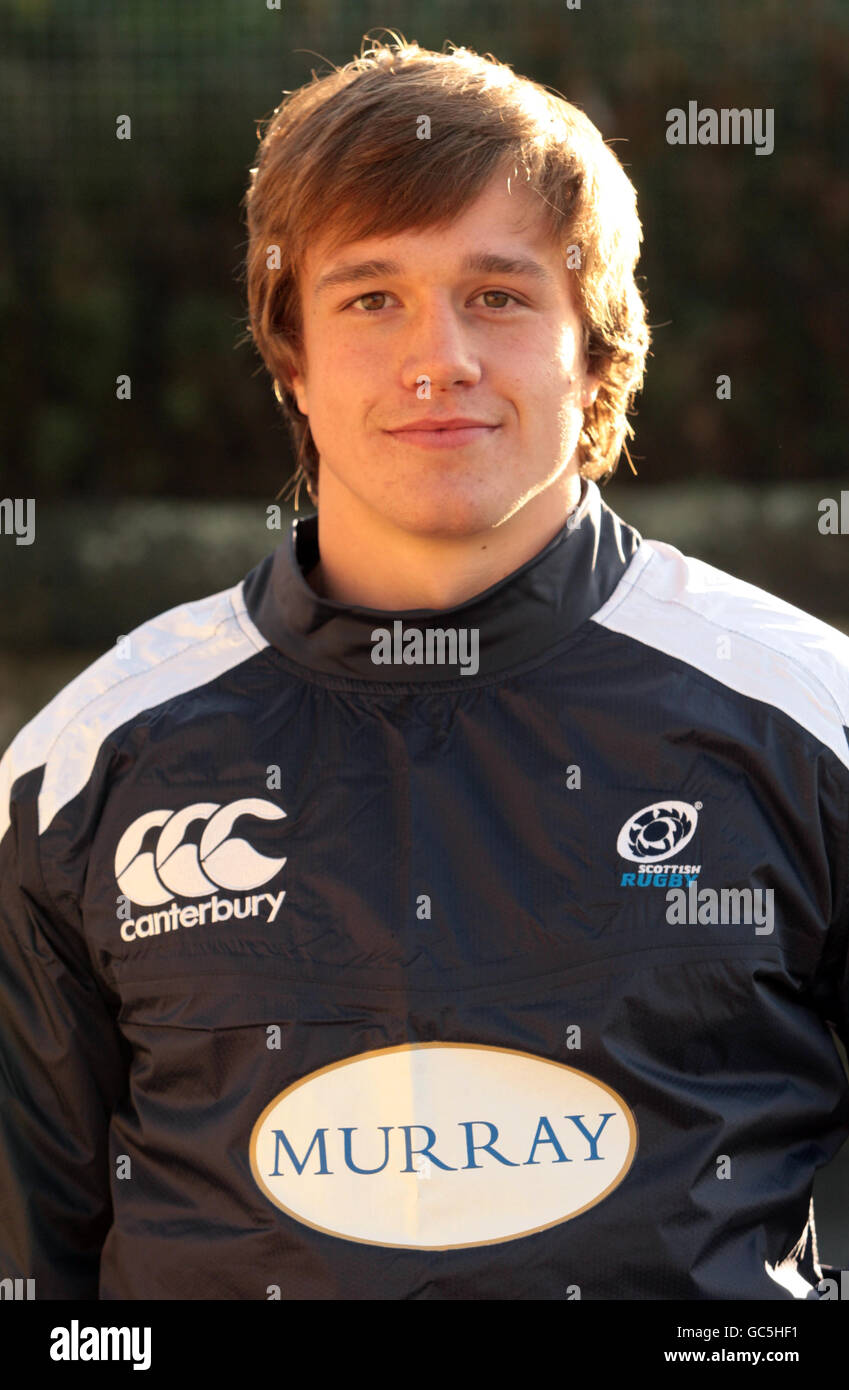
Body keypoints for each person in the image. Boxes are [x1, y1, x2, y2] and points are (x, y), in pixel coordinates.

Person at [1, 33, 847, 1302]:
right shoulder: (84, 768)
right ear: (289, 353)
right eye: (370, 295)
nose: (436, 356)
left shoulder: (808, 719)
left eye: (500, 295)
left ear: (599, 350)